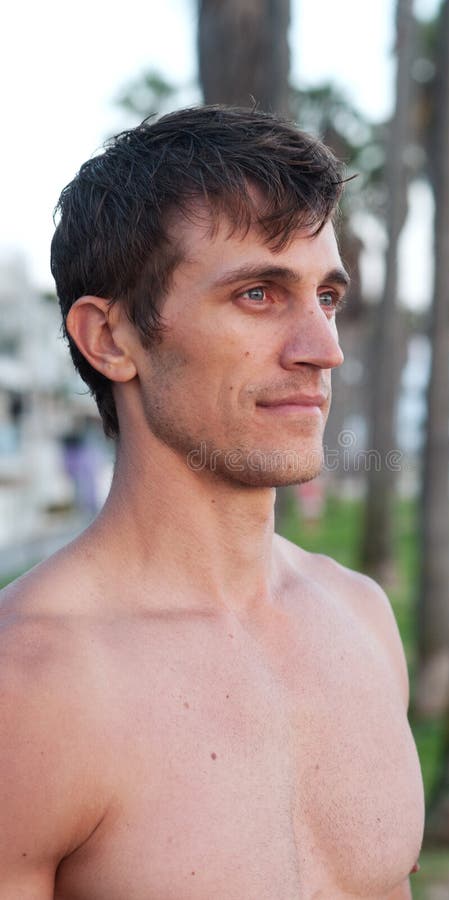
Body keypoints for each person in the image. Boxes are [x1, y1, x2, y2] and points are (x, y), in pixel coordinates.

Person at [0, 106, 424, 899]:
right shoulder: (28, 684)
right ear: (111, 340)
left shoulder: (360, 619)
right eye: (259, 294)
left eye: (325, 298)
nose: (321, 349)